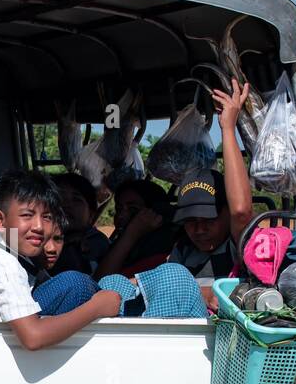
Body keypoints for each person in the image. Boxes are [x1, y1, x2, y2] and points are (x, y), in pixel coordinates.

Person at [0, 169, 118, 349]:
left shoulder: (20, 256)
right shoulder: (0, 261)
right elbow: (33, 337)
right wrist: (95, 309)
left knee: (113, 284)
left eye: (47, 217)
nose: (39, 227)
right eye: (27, 215)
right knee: (75, 283)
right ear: (0, 220)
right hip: (8, 344)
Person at [169, 79, 256, 294]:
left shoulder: (238, 247)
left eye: (208, 220)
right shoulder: (182, 251)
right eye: (191, 222)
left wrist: (228, 128)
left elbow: (241, 211)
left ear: (227, 213)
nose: (199, 230)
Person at [92, 178, 176, 279]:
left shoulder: (162, 249)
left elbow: (101, 282)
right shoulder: (119, 245)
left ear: (154, 214)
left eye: (133, 209)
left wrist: (131, 234)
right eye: (118, 209)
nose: (121, 216)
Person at [50, 172, 110, 274]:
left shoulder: (98, 244)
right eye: (59, 198)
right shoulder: (35, 240)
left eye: (76, 199)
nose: (66, 205)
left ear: (91, 215)